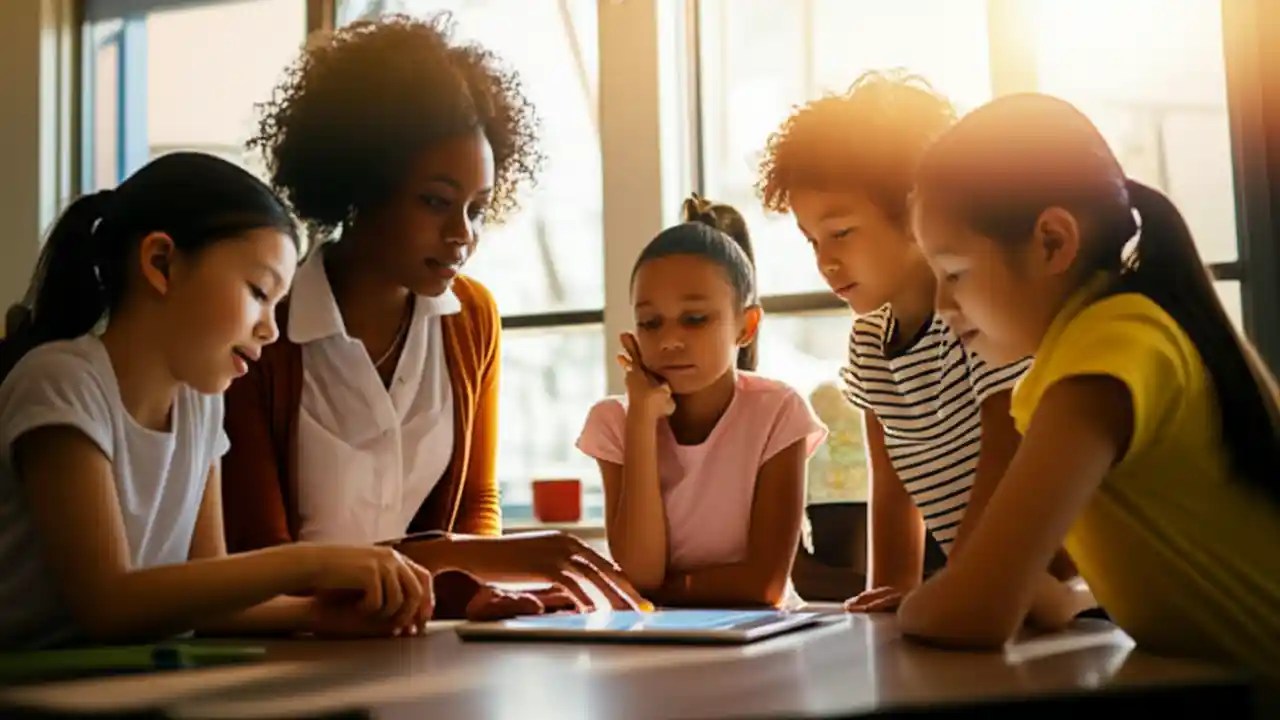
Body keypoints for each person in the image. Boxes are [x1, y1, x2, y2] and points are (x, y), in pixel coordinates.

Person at [223, 12, 641, 611]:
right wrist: (466, 561)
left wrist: (478, 591)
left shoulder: (470, 318)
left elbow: (476, 509)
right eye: (436, 202)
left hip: (411, 642)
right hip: (289, 656)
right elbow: (259, 563)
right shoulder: (264, 325)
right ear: (362, 182)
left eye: (477, 208)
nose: (462, 235)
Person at [899, 93, 1280, 681]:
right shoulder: (1110, 339)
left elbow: (972, 614)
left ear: (1053, 241)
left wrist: (914, 601)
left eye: (954, 273)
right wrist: (1064, 594)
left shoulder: (1105, 350)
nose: (944, 304)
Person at [0, 152, 434, 648]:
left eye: (277, 305)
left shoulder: (201, 405)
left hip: (112, 684)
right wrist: (316, 559)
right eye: (258, 291)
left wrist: (319, 612)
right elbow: (107, 604)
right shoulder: (61, 382)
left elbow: (207, 593)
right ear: (161, 264)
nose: (271, 329)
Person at [756, 70, 1073, 613]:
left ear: (913, 214)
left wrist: (963, 586)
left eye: (842, 232)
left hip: (1060, 596)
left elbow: (1005, 456)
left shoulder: (980, 317)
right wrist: (890, 591)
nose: (825, 261)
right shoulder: (869, 345)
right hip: (982, 589)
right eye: (812, 240)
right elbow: (893, 483)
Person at [577, 194, 827, 607]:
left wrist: (657, 593)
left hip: (762, 640)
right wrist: (641, 418)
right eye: (650, 323)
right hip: (654, 636)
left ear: (746, 326)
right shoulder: (613, 420)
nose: (669, 340)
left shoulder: (778, 410)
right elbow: (641, 570)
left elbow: (763, 586)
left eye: (695, 319)